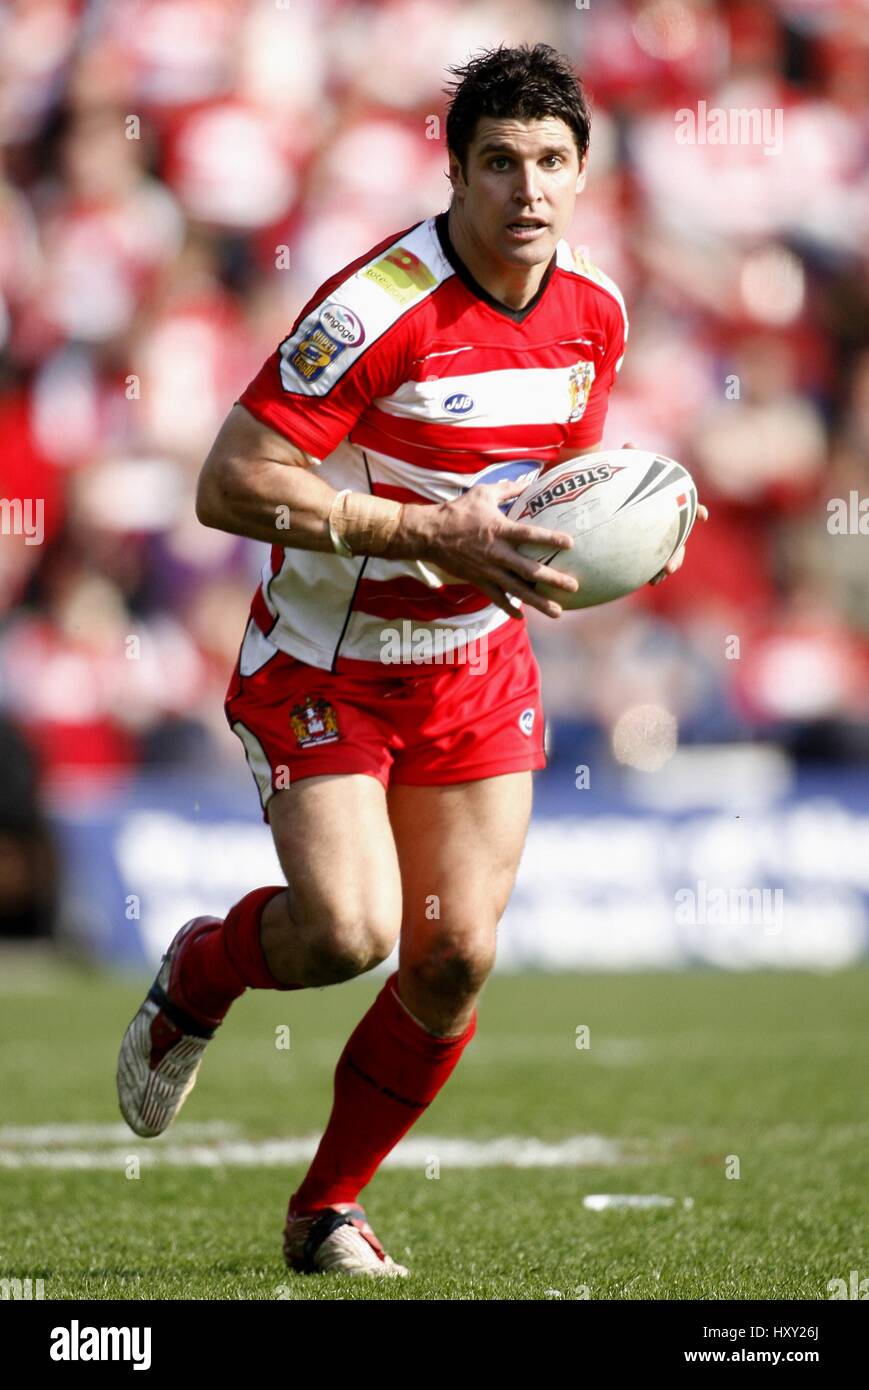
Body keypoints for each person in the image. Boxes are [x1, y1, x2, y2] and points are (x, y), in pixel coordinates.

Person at [116, 42, 704, 1278]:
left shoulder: (596, 311)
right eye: (499, 163)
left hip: (473, 665)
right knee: (344, 933)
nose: (527, 189)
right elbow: (228, 483)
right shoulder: (374, 307)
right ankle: (196, 975)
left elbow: (556, 497)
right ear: (454, 173)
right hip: (328, 659)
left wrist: (630, 538)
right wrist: (420, 529)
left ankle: (325, 1208)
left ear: (585, 174)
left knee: (450, 956)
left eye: (552, 163)